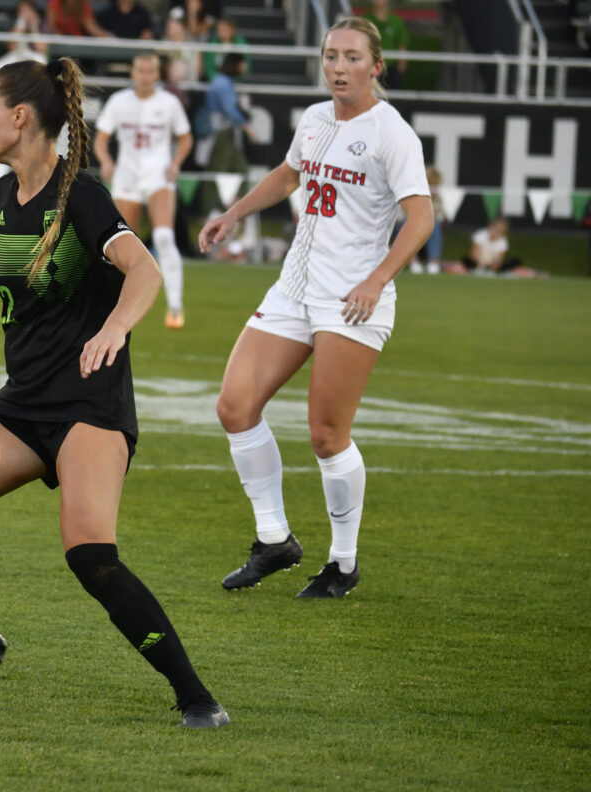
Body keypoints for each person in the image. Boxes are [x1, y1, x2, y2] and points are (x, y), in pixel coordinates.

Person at [0, 57, 229, 729]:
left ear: (20, 117)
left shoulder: (80, 193)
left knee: (90, 555)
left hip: (89, 407)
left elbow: (144, 270)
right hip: (23, 406)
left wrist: (113, 329)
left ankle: (198, 698)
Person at [198, 17, 433, 598]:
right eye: (331, 56)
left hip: (352, 299)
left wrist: (378, 280)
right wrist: (234, 214)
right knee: (234, 406)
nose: (339, 67)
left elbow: (421, 217)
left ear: (375, 67)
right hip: (294, 290)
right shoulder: (315, 118)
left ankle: (344, 564)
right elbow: (287, 175)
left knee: (327, 436)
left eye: (352, 57)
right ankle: (274, 539)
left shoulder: (391, 133)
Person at [94, 53, 192, 329]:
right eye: (140, 70)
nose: (145, 76)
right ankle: (117, 307)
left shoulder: (169, 103)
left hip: (158, 174)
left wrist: (175, 164)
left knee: (163, 236)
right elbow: (101, 139)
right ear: (132, 73)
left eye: (150, 71)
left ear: (157, 75)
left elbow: (185, 138)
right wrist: (106, 160)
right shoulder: (119, 102)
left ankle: (175, 305)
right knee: (123, 243)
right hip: (127, 174)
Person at [194, 53, 255, 211]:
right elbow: (230, 110)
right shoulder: (222, 84)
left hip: (224, 132)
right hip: (220, 134)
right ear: (235, 65)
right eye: (243, 63)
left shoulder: (223, 82)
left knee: (241, 170)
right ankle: (209, 211)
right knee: (216, 172)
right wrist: (247, 128)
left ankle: (239, 208)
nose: (245, 67)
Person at [364, 0, 408, 90]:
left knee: (392, 99)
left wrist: (401, 65)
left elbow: (402, 45)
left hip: (390, 70)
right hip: (369, 68)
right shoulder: (365, 21)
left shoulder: (396, 21)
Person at [202, 17, 251, 82]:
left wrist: (234, 80)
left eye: (225, 29)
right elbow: (208, 66)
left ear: (232, 30)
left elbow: (245, 64)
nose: (222, 32)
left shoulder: (240, 42)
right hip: (217, 81)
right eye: (219, 30)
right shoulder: (214, 42)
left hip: (236, 81)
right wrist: (217, 79)